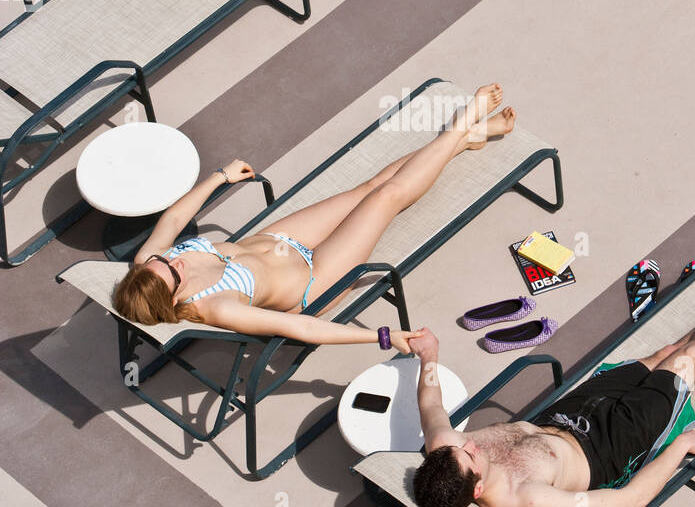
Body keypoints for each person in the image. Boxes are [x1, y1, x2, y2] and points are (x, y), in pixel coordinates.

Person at [411, 222, 695, 507]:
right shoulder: (527, 499)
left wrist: (430, 357)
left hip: (568, 416)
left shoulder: (446, 454)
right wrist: (680, 447)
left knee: (668, 352)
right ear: (478, 488)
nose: (470, 443)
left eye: (459, 446)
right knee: (690, 358)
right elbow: (629, 502)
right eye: (471, 455)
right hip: (614, 444)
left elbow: (431, 405)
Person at [112, 84, 515, 352]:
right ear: (177, 297)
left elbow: (175, 215)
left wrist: (221, 177)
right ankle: (462, 129)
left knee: (368, 188)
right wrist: (382, 336)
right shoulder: (216, 308)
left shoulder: (149, 267)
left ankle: (463, 141)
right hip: (314, 279)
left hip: (280, 239)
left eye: (166, 260)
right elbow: (302, 330)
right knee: (387, 198)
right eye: (174, 272)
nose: (174, 260)